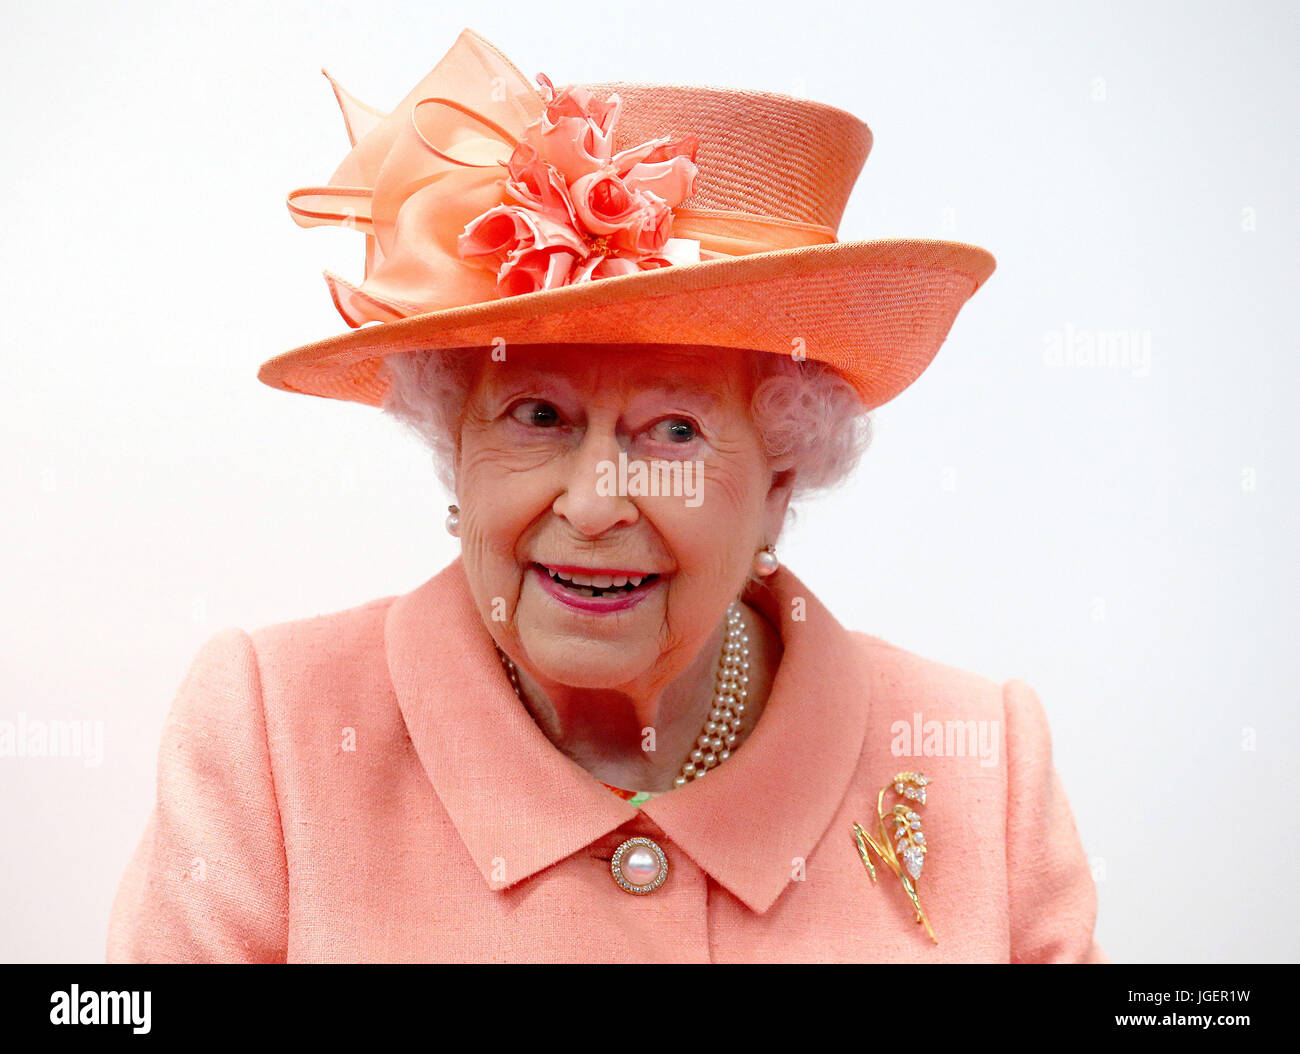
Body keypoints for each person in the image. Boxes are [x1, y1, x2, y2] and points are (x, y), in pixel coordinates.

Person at [107, 28, 1105, 963]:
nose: (593, 503)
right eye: (535, 415)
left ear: (779, 483)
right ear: (454, 445)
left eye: (673, 430)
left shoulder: (983, 767)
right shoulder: (271, 735)